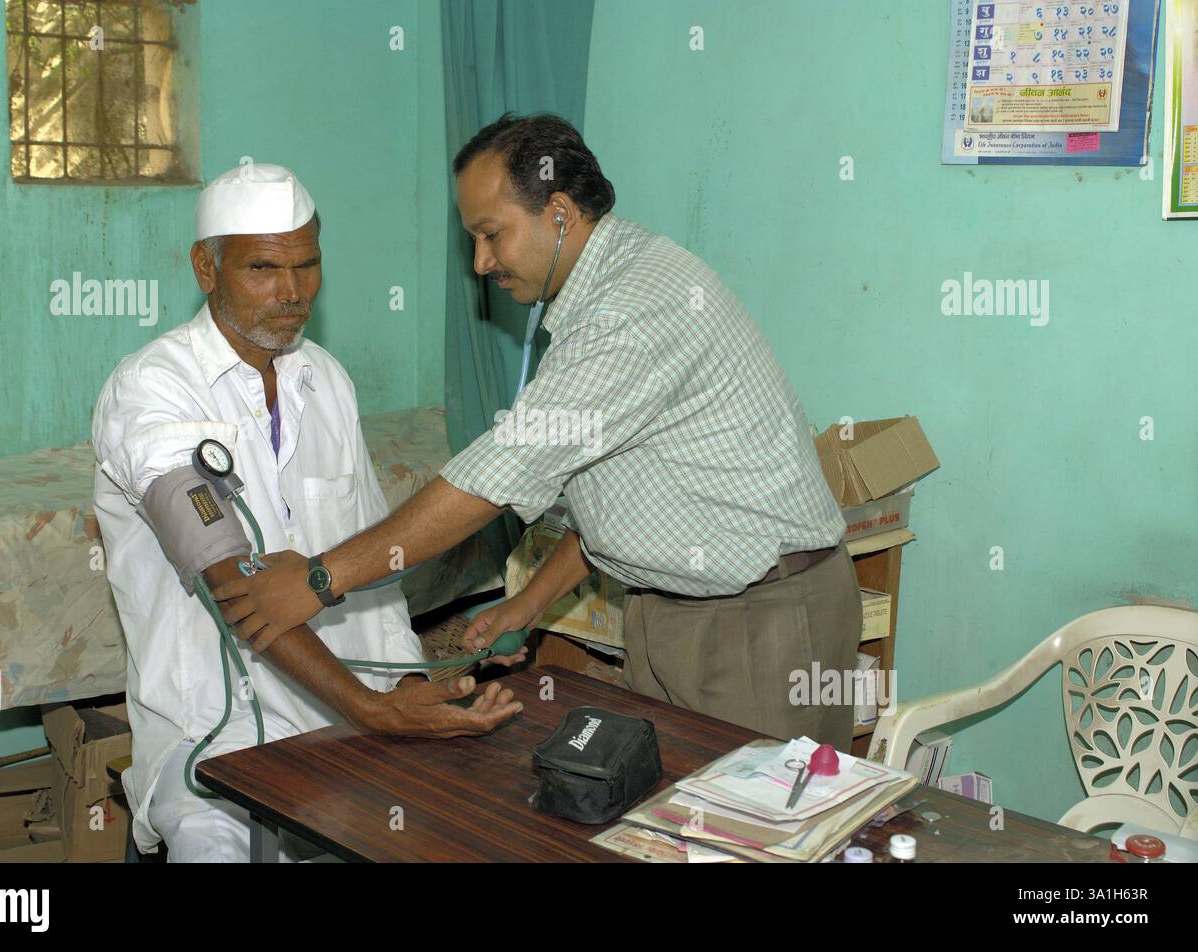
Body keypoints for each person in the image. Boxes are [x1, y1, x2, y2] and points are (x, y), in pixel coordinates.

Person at [213, 117, 861, 751]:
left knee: (751, 840)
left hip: (758, 624)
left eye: (491, 234)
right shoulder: (606, 292)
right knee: (667, 832)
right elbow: (627, 493)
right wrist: (528, 605)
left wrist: (320, 580)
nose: (481, 262)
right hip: (684, 613)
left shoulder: (631, 313)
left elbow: (491, 478)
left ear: (557, 211)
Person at [92, 163, 520, 862]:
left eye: (308, 265)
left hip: (346, 720)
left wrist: (409, 688)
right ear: (207, 266)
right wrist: (372, 708)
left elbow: (375, 566)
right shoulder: (152, 390)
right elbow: (228, 578)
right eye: (263, 267)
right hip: (215, 735)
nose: (292, 293)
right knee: (214, 843)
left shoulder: (327, 381)